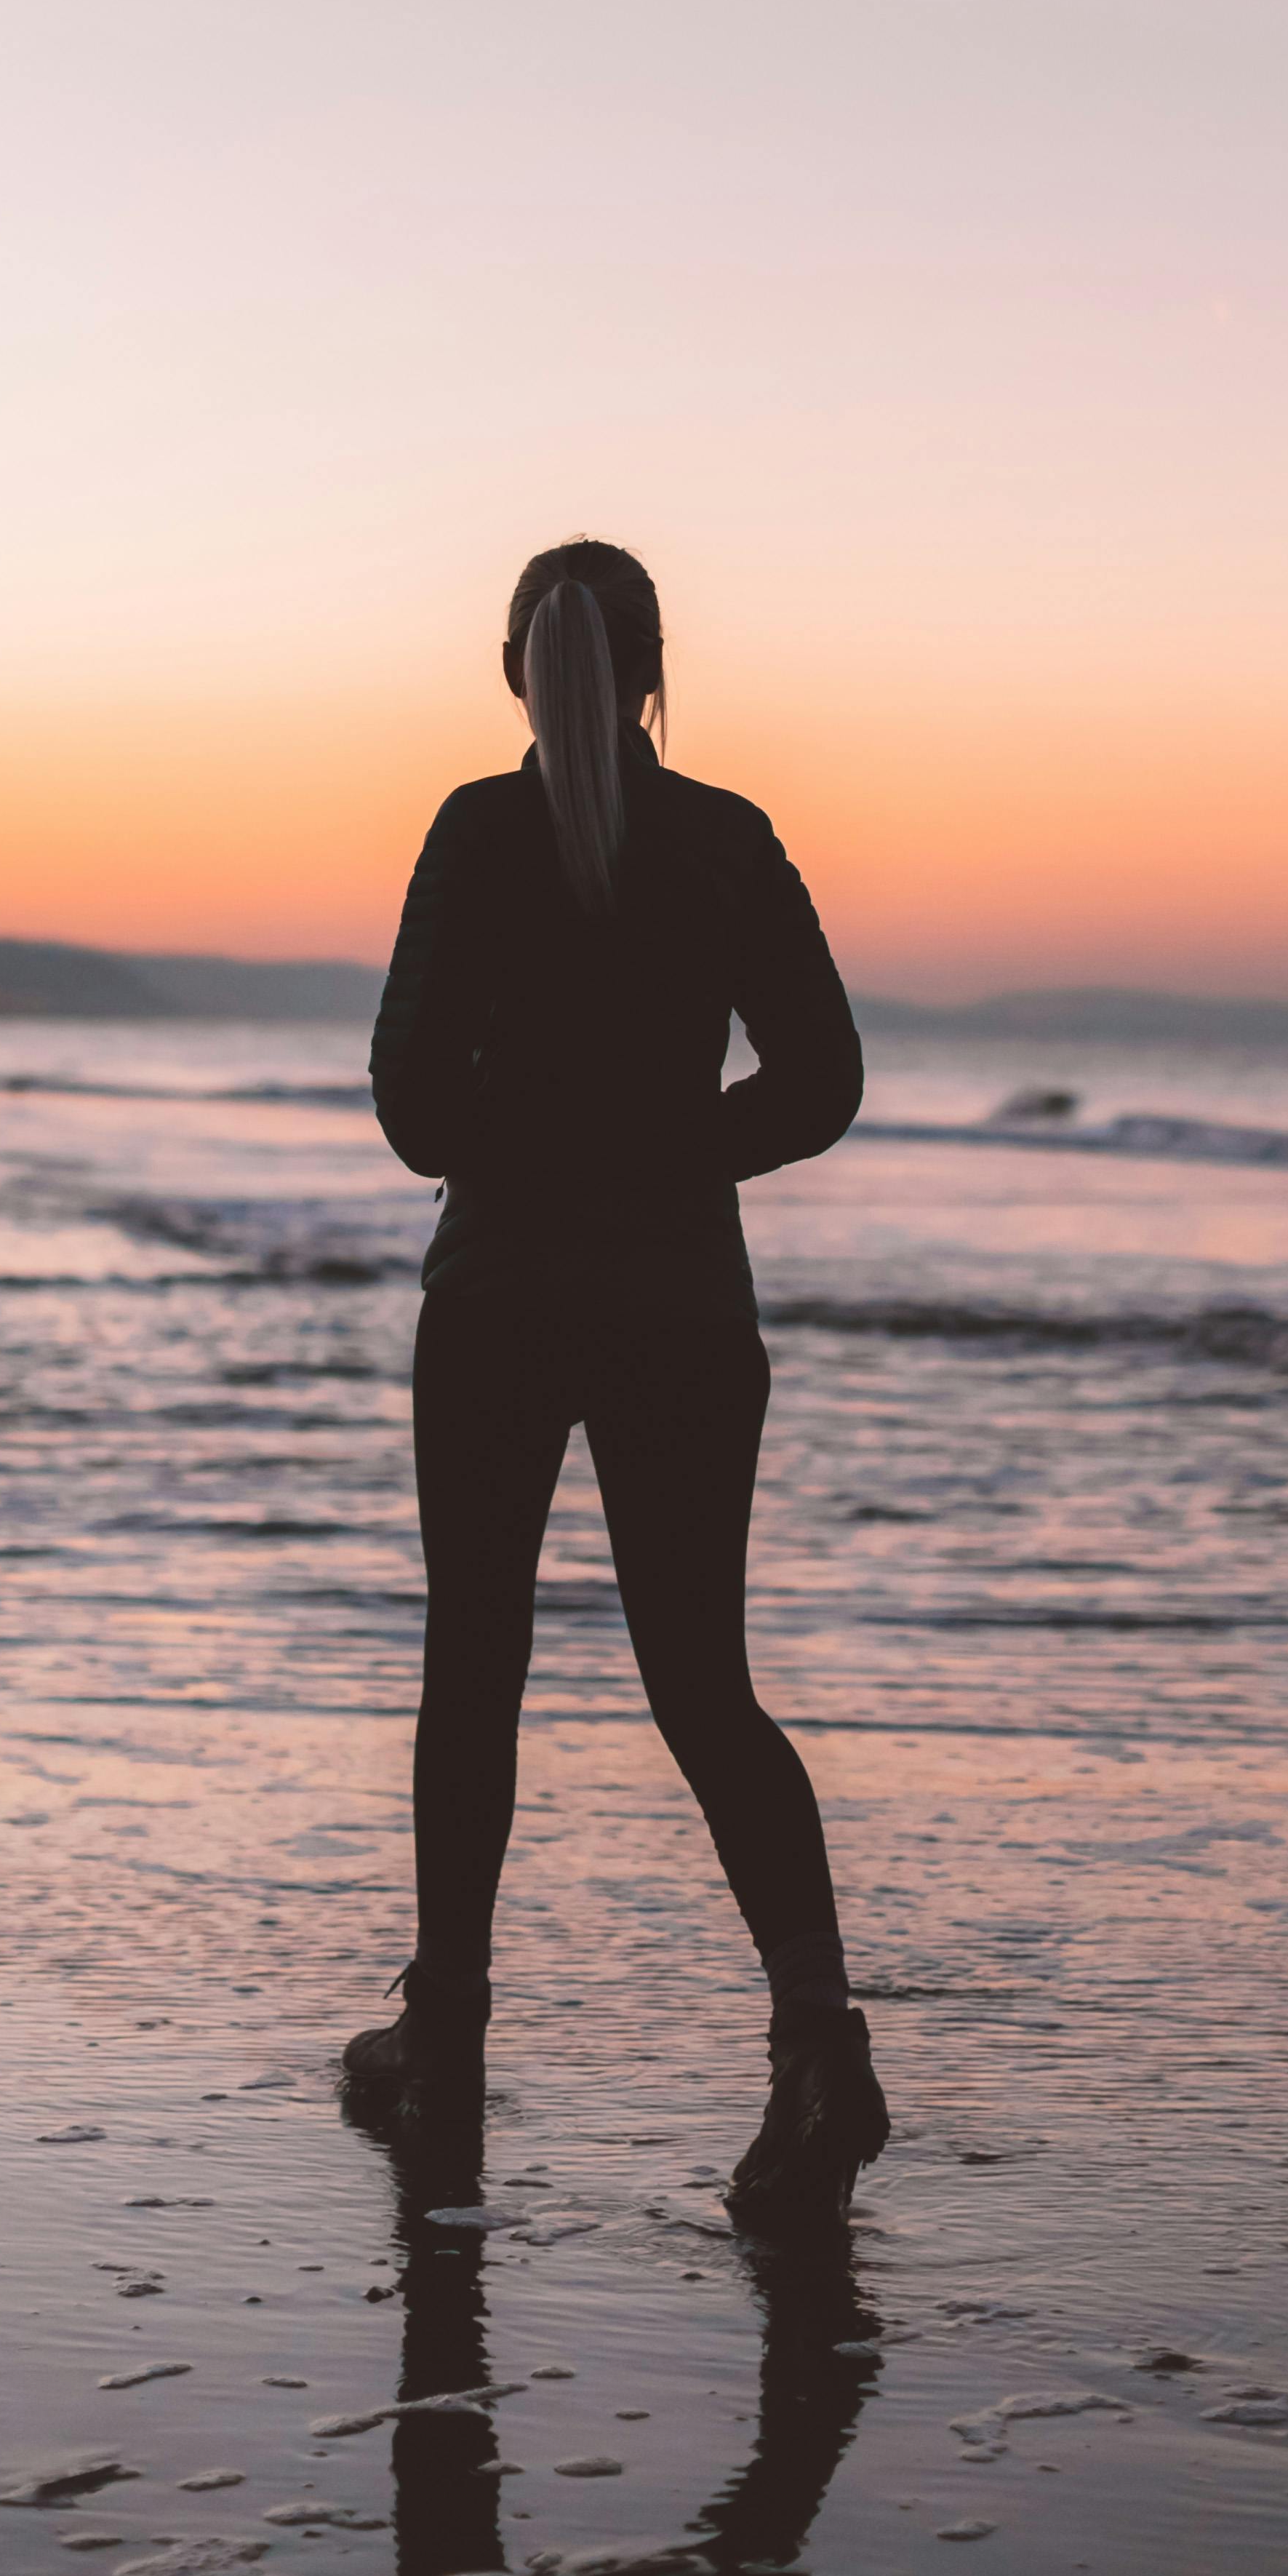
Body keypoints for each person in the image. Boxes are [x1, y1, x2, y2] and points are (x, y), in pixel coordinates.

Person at [343, 535, 889, 2228]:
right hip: (683, 1313)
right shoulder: (725, 838)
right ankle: (820, 2041)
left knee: (477, 1668)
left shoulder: (475, 830)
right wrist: (668, 1152)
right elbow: (822, 1079)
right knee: (703, 1688)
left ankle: (445, 2041)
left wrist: (543, 1148)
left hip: (499, 1298)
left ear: (515, 669)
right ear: (657, 673)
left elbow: (414, 1105)